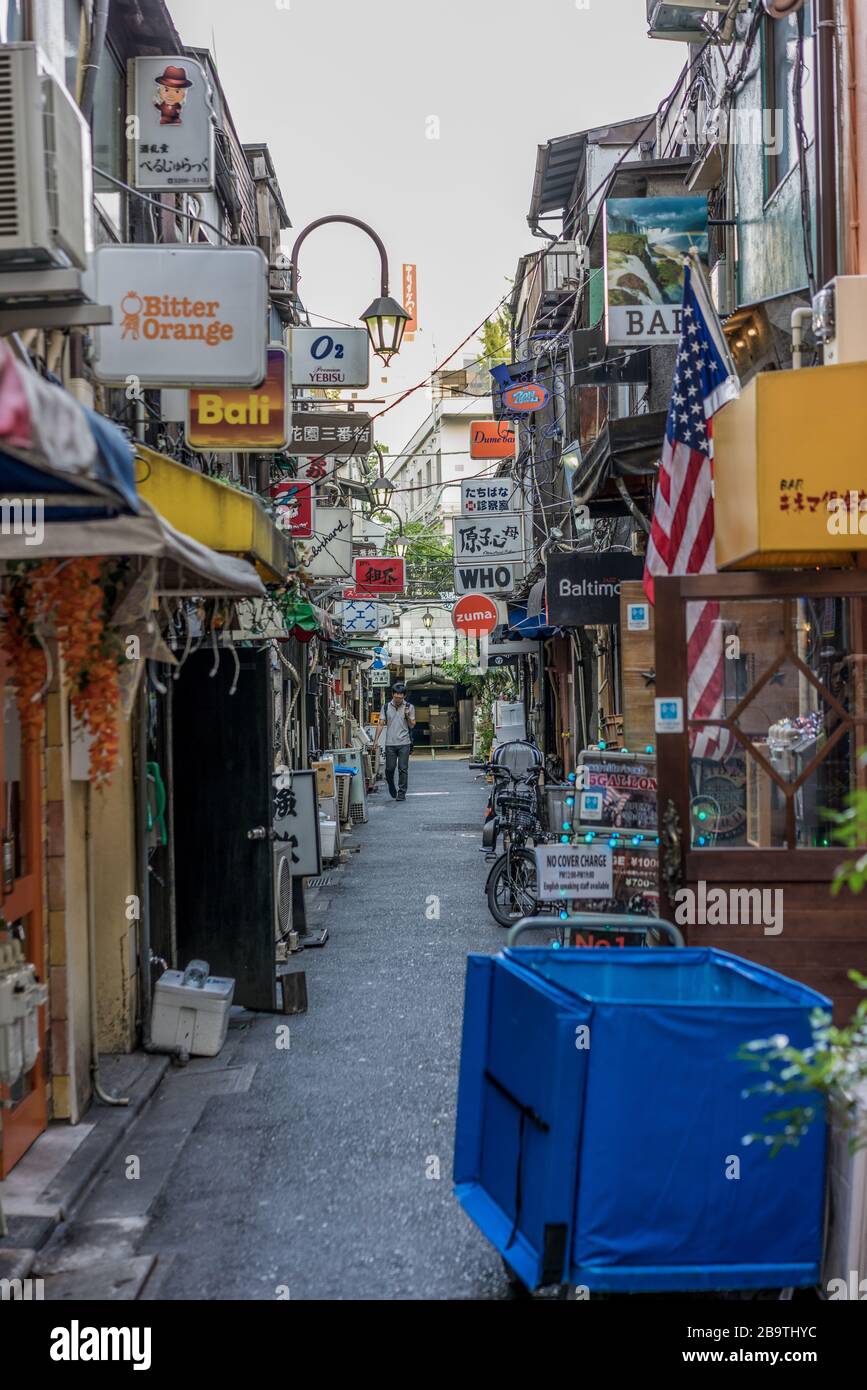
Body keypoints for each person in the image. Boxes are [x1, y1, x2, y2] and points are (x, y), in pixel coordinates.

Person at [374, 681, 416, 801]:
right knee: (389, 769)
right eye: (396, 695)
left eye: (400, 696)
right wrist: (375, 740)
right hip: (390, 744)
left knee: (403, 768)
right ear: (392, 694)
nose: (398, 698)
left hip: (404, 743)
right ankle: (391, 785)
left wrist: (407, 715)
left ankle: (402, 793)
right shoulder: (386, 707)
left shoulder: (409, 707)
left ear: (404, 696)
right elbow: (381, 724)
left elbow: (412, 725)